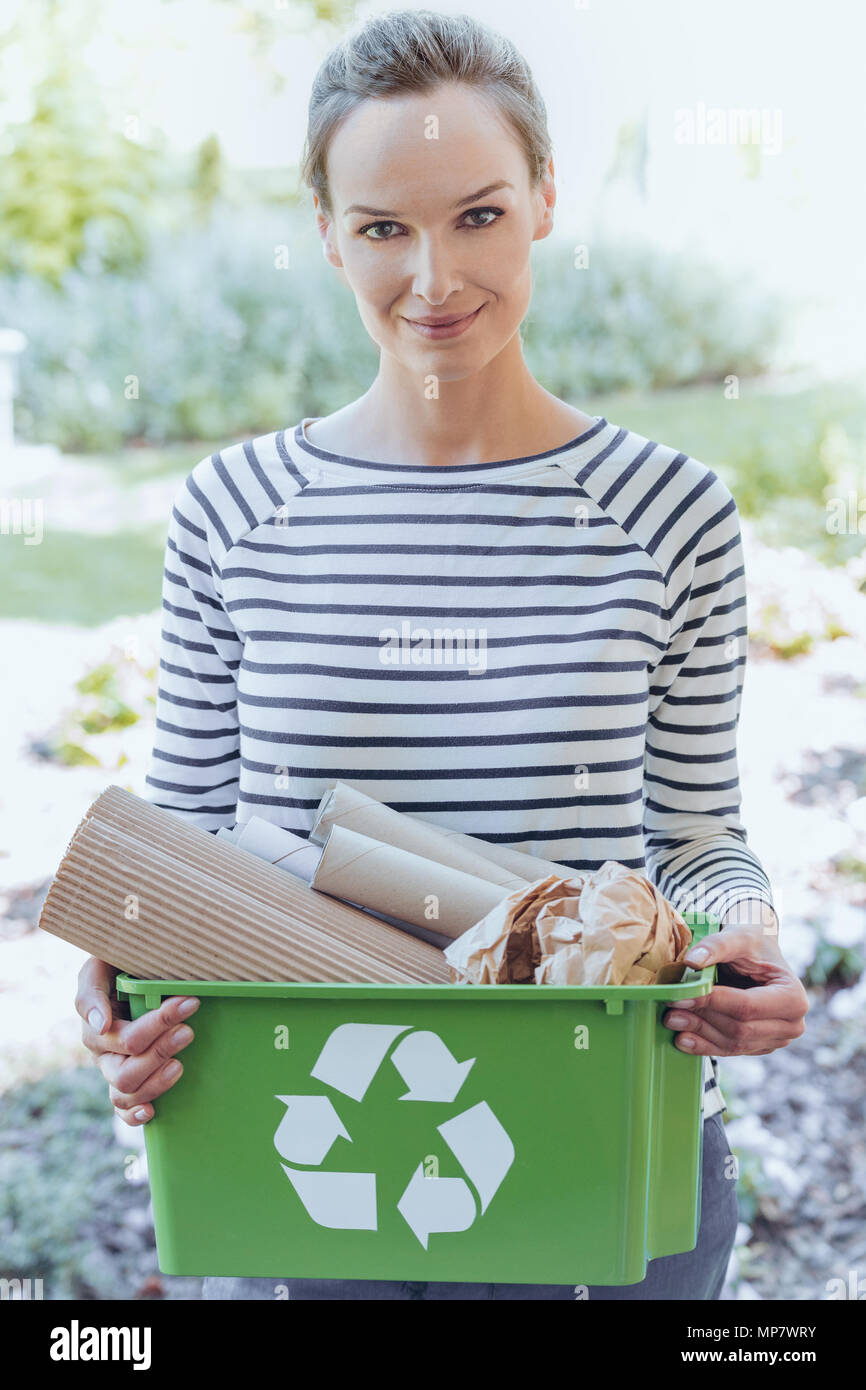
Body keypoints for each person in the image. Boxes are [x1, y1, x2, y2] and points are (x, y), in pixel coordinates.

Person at [75, 9, 808, 1300]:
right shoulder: (233, 511)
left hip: (595, 1133)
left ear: (540, 201)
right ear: (325, 235)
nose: (431, 278)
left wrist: (738, 929)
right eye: (380, 228)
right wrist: (121, 994)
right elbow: (180, 839)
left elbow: (695, 835)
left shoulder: (667, 513)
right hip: (303, 1139)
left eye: (475, 216)